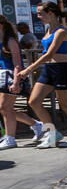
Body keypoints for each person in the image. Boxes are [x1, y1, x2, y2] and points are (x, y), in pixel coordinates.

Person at [18, 2, 67, 148]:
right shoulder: (48, 29)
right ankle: (53, 133)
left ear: (51, 13)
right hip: (49, 69)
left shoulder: (61, 31)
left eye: (40, 13)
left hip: (61, 69)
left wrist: (29, 69)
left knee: (66, 105)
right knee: (33, 102)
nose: (38, 16)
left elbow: (49, 54)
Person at [0, 16, 39, 148]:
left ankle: (10, 138)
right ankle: (36, 124)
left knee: (5, 108)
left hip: (11, 76)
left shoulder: (10, 41)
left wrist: (16, 82)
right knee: (5, 109)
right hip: (2, 76)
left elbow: (17, 64)